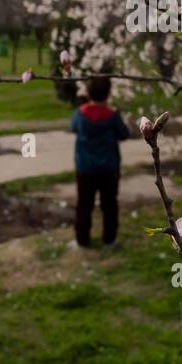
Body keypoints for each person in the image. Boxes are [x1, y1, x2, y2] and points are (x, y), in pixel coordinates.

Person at [69, 76, 130, 249]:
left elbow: (72, 127)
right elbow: (124, 134)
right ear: (108, 94)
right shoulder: (113, 116)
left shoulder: (79, 114)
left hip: (85, 168)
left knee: (84, 206)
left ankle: (82, 240)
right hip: (109, 169)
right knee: (109, 206)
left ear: (87, 93)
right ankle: (109, 240)